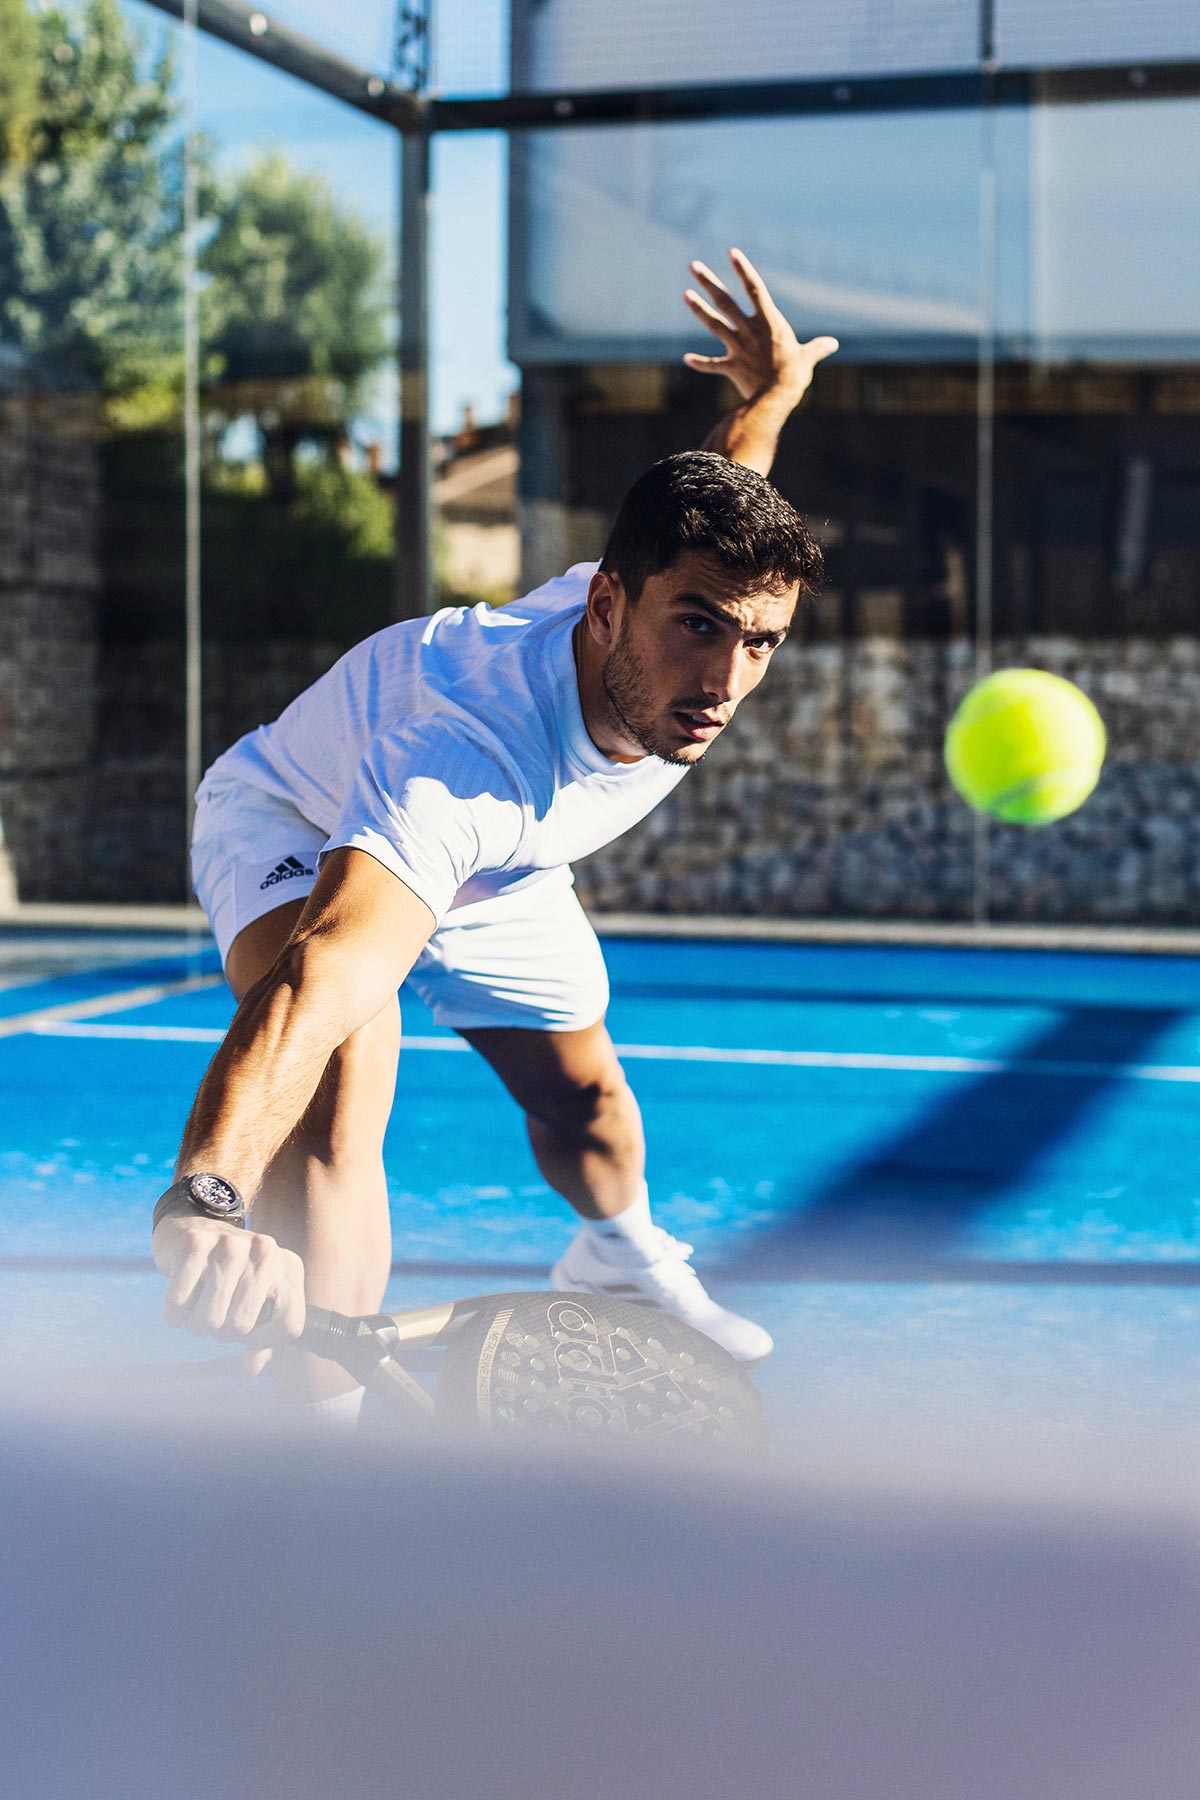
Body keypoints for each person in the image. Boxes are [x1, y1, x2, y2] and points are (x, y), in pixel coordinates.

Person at [152, 248, 837, 1420]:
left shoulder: (679, 584)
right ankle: (316, 1438)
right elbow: (320, 978)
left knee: (588, 1107)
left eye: (759, 641)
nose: (726, 676)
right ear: (607, 602)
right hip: (301, 814)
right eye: (699, 626)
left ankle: (617, 1255)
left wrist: (769, 395)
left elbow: (728, 482)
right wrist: (207, 1188)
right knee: (341, 1079)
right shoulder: (463, 755)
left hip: (504, 869)